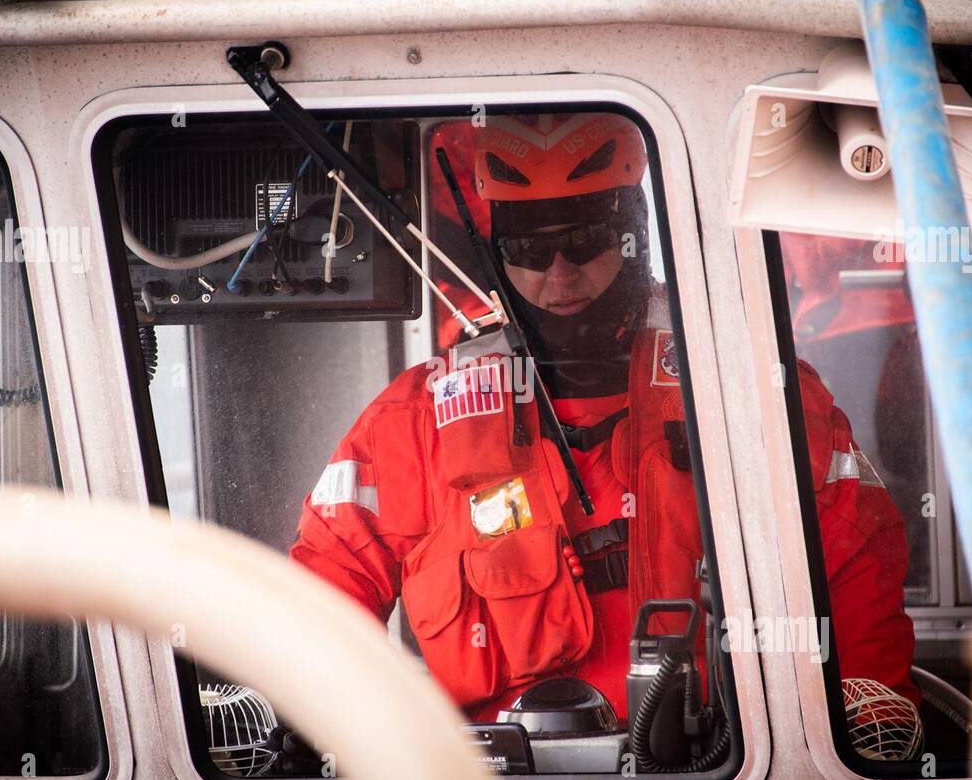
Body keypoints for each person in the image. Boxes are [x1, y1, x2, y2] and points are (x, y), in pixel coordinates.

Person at [290, 112, 918, 728]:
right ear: (498, 253)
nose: (560, 272)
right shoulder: (415, 420)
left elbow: (857, 561)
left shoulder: (749, 388)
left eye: (586, 239)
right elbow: (319, 600)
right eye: (530, 249)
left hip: (731, 769)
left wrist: (868, 728)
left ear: (633, 231)